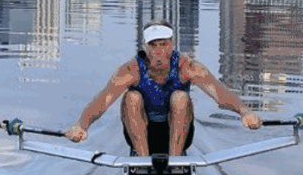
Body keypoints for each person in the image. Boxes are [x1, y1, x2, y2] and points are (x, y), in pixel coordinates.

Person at [66, 19, 263, 156]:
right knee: (131, 98)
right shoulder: (130, 70)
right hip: (141, 134)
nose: (159, 51)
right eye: (153, 45)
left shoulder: (188, 67)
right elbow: (103, 101)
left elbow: (221, 94)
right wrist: (81, 125)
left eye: (163, 44)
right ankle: (142, 161)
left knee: (180, 97)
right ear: (145, 46)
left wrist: (245, 111)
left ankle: (176, 162)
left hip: (178, 134)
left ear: (172, 44)